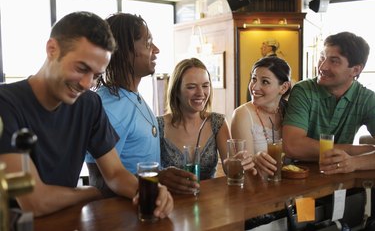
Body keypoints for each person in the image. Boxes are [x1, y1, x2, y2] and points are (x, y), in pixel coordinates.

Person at [0, 11, 173, 218]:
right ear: (52, 49)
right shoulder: (6, 104)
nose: (86, 84)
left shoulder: (89, 104)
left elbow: (115, 174)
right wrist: (89, 193)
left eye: (96, 75)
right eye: (81, 68)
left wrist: (146, 190)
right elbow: (34, 201)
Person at [84, 13, 198, 195]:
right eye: (148, 43)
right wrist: (155, 179)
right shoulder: (108, 107)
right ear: (124, 50)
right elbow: (99, 182)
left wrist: (160, 177)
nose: (156, 49)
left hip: (148, 206)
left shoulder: (133, 95)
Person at [283, 31, 375, 174]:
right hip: (300, 175)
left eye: (334, 61)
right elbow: (292, 145)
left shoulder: (367, 99)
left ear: (356, 70)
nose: (322, 67)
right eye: (322, 58)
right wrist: (354, 150)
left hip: (341, 179)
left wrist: (354, 162)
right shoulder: (303, 90)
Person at [157, 57, 256, 186]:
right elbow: (148, 171)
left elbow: (230, 170)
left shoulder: (217, 122)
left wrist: (238, 163)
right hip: (171, 201)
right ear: (176, 91)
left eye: (205, 86)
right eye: (191, 87)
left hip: (208, 202)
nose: (201, 93)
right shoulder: (159, 125)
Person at [231, 56, 291, 177]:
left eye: (265, 82)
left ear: (284, 87)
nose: (254, 87)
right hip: (256, 189)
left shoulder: (290, 111)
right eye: (254, 79)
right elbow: (245, 170)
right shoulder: (242, 114)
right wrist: (254, 159)